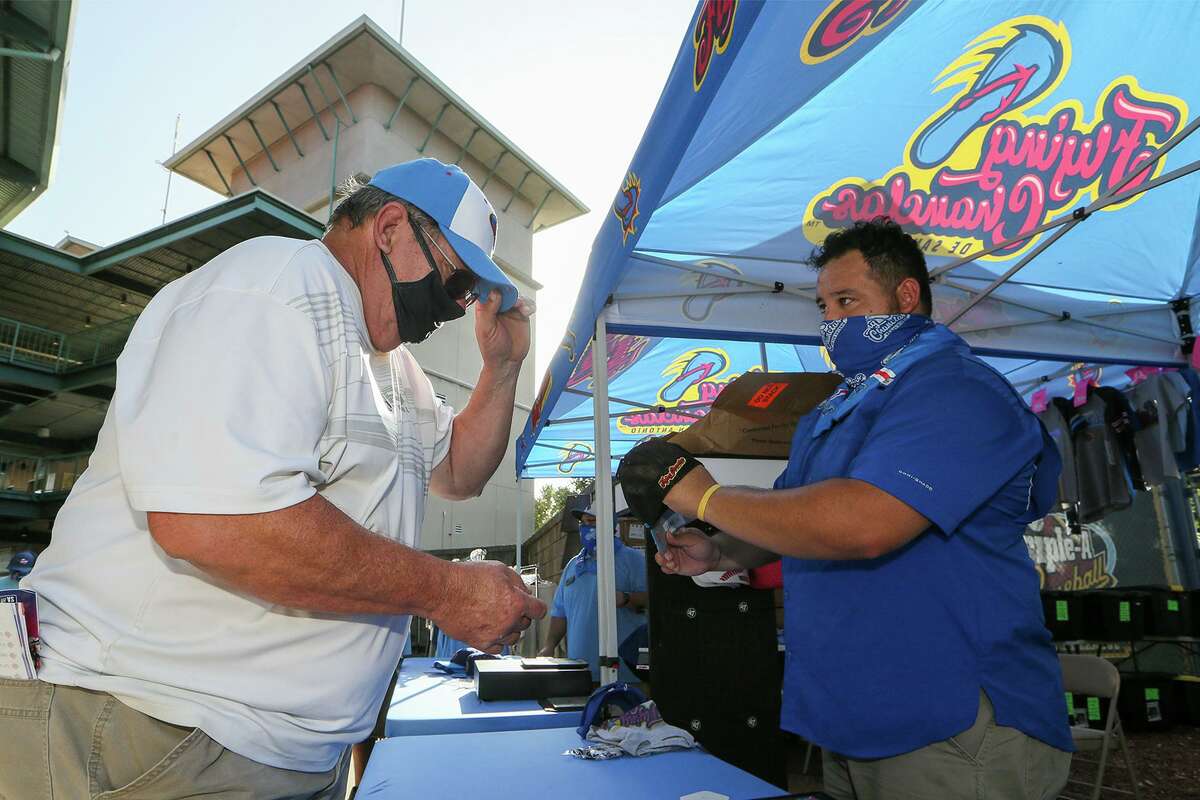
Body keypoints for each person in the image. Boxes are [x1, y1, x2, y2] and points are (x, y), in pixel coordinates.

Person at [3, 158, 547, 800]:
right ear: (389, 228)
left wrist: (502, 366)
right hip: (156, 730)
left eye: (467, 296)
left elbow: (457, 471)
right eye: (454, 282)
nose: (454, 309)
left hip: (268, 752)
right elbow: (214, 522)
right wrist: (445, 591)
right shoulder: (275, 286)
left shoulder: (395, 367)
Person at [619, 217, 1072, 800]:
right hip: (849, 713)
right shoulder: (839, 408)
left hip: (949, 718)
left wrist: (703, 495)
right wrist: (718, 549)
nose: (831, 321)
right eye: (824, 306)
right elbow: (790, 516)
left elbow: (864, 525)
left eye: (846, 301)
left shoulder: (956, 390)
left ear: (905, 295)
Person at [539, 502, 648, 683]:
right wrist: (549, 646)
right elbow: (560, 613)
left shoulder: (632, 559)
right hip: (580, 675)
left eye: (591, 521)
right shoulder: (573, 566)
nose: (585, 527)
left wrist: (626, 598)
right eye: (582, 523)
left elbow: (652, 600)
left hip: (625, 677)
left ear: (608, 525)